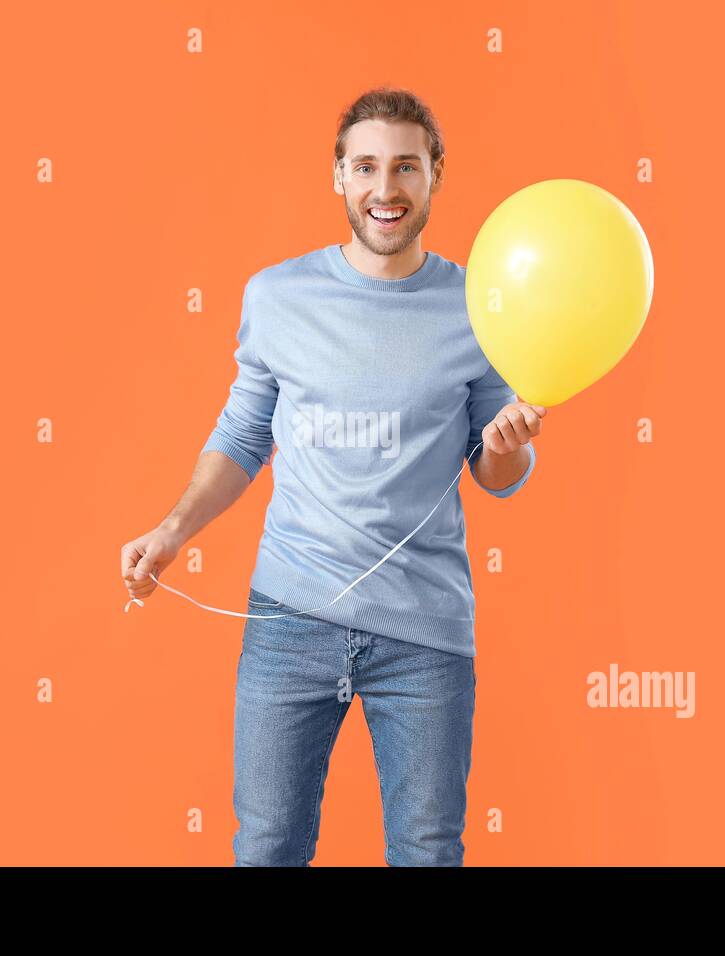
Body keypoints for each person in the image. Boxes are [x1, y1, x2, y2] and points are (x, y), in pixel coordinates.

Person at [120, 87, 546, 866]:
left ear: (435, 177)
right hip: (290, 619)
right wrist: (171, 531)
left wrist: (510, 442)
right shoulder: (277, 296)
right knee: (270, 847)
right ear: (339, 176)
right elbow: (245, 435)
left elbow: (496, 472)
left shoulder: (479, 307)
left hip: (425, 633)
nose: (385, 190)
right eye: (367, 168)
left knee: (426, 850)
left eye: (406, 168)